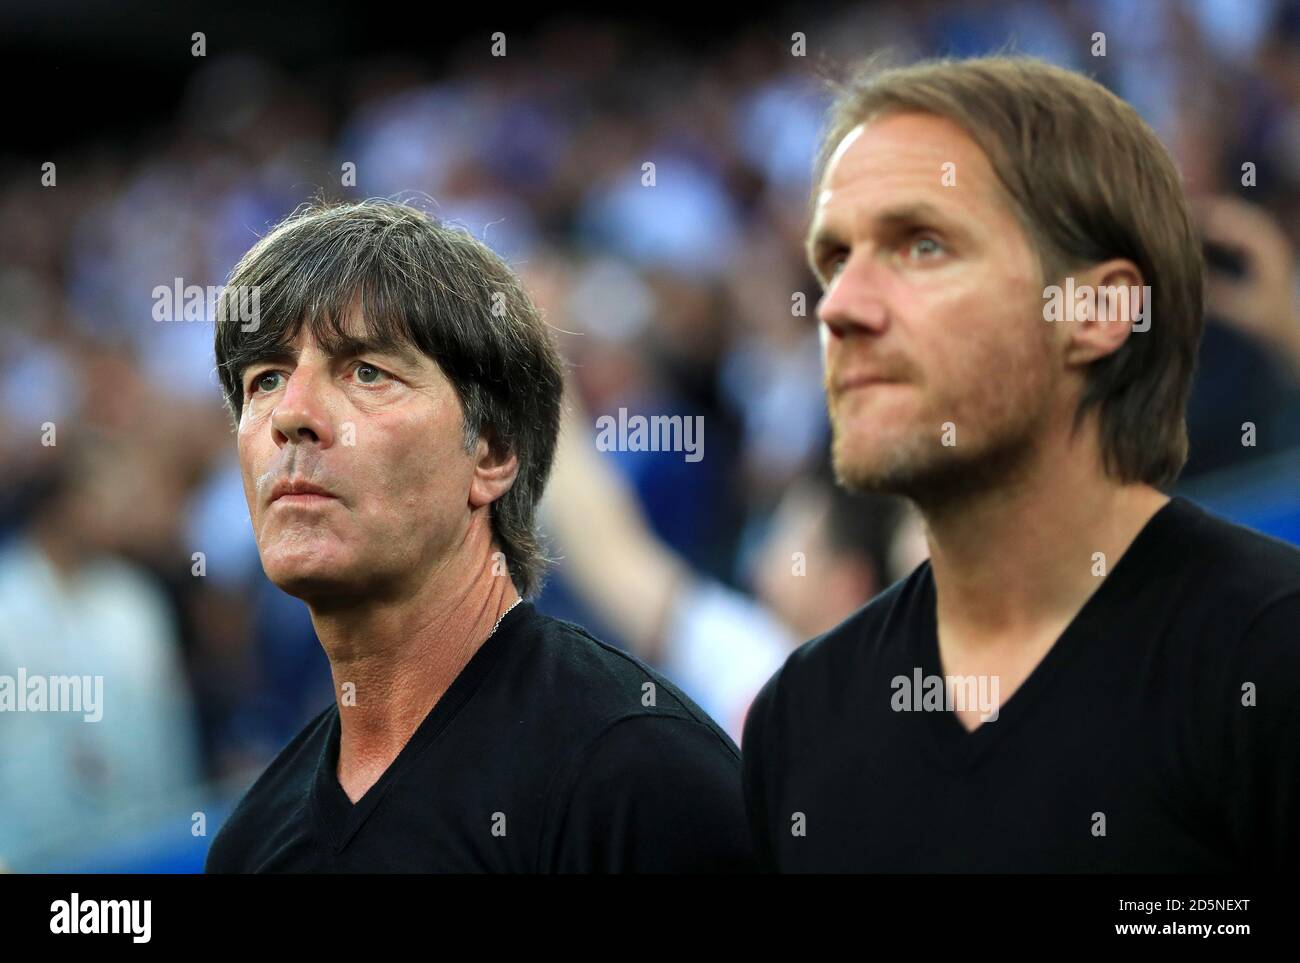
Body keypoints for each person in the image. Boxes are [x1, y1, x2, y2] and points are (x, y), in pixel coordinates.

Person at [741, 56, 1300, 872]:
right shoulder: (801, 713)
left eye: (922, 246)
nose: (839, 307)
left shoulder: (1272, 661)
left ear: (1099, 310)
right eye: (833, 261)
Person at [203, 199, 754, 873]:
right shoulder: (250, 843)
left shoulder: (637, 775)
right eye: (265, 379)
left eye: (367, 372)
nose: (290, 415)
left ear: (492, 453)